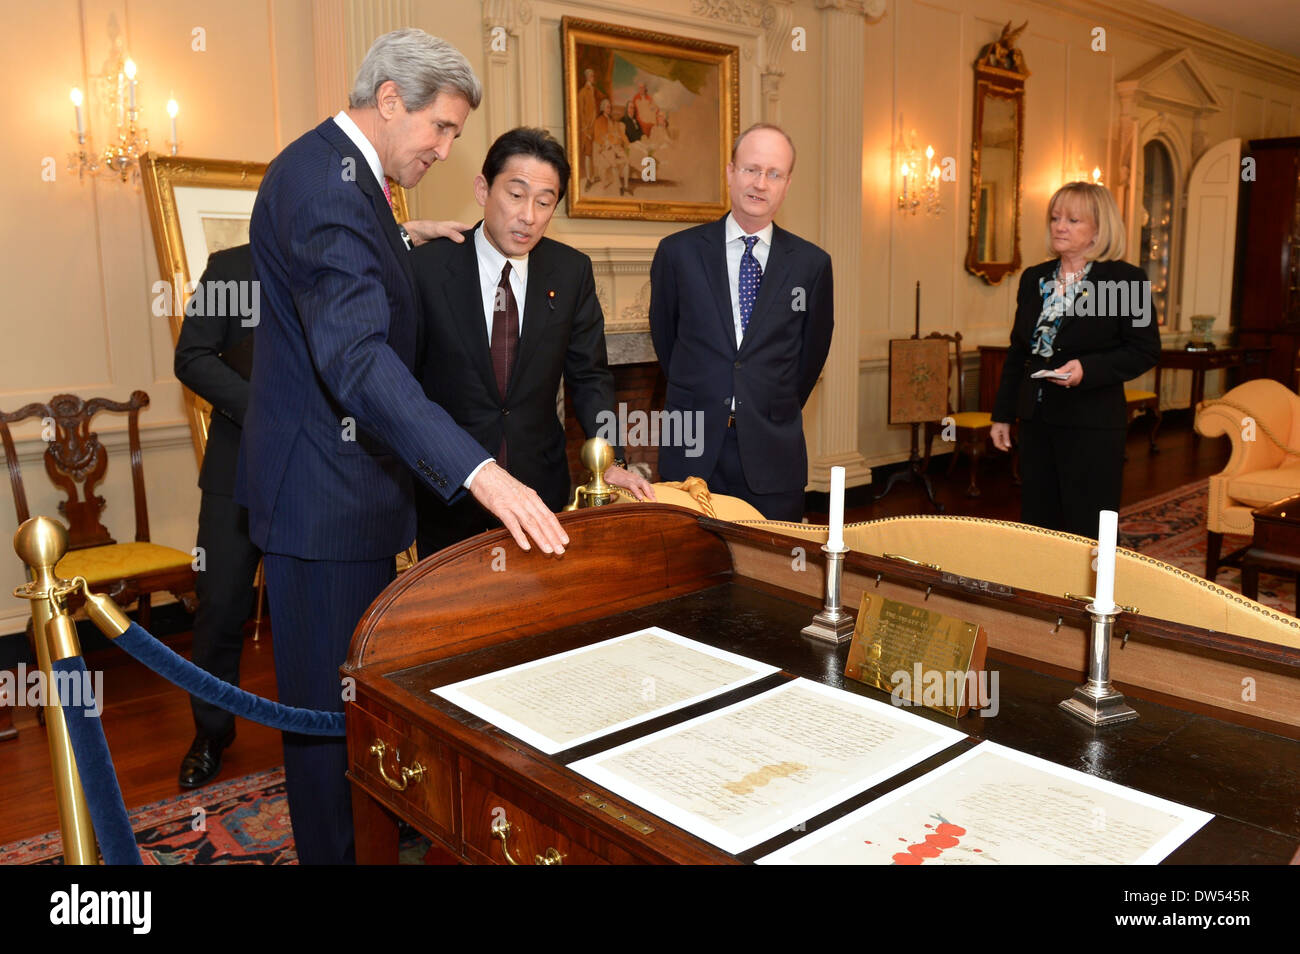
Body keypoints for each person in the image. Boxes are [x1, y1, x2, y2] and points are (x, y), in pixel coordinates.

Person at [239, 29, 567, 865]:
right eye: (442, 129)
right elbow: (354, 357)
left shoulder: (347, 178)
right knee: (327, 726)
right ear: (390, 100)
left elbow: (347, 276)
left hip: (342, 495)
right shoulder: (324, 186)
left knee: (353, 712)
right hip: (321, 505)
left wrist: (401, 238)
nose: (446, 147)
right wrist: (480, 471)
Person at [409, 128, 654, 557]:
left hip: (539, 488)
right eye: (516, 195)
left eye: (544, 202)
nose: (529, 216)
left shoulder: (570, 270)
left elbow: (590, 375)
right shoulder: (428, 267)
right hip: (447, 490)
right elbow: (401, 381)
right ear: (483, 188)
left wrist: (610, 462)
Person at [648, 123, 833, 521]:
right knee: (689, 572)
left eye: (774, 174)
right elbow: (667, 341)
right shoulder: (677, 254)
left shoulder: (811, 265)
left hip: (772, 454)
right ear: (731, 172)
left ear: (786, 184)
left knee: (772, 573)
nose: (760, 183)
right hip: (692, 449)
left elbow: (810, 357)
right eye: (751, 169)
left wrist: (764, 402)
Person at [989, 181, 1161, 538]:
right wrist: (1003, 414)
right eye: (1055, 218)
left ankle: (1089, 595)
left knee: (1087, 526)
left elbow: (1144, 350)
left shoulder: (1126, 281)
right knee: (1039, 524)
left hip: (1092, 424)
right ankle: (1042, 593)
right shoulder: (1033, 278)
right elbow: (1019, 351)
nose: (1060, 226)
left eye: (1073, 220)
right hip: (1037, 421)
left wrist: (1088, 369)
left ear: (1099, 230)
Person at [172, 244, 260, 789]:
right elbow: (193, 357)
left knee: (316, 615)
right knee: (221, 604)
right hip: (236, 471)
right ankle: (211, 732)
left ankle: (324, 731)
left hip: (320, 476)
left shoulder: (348, 255)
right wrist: (267, 410)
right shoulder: (232, 268)